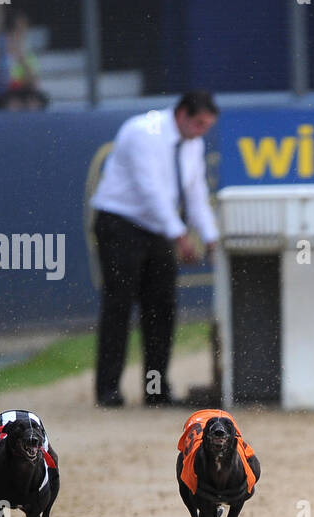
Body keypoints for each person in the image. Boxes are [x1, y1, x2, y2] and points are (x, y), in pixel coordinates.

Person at [89, 91, 220, 407]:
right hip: (121, 223)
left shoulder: (193, 144)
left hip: (158, 229)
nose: (203, 131)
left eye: (207, 126)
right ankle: (108, 390)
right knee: (119, 306)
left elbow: (196, 194)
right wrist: (180, 236)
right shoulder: (142, 133)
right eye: (200, 124)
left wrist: (211, 236)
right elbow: (151, 190)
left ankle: (156, 388)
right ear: (182, 115)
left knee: (161, 310)